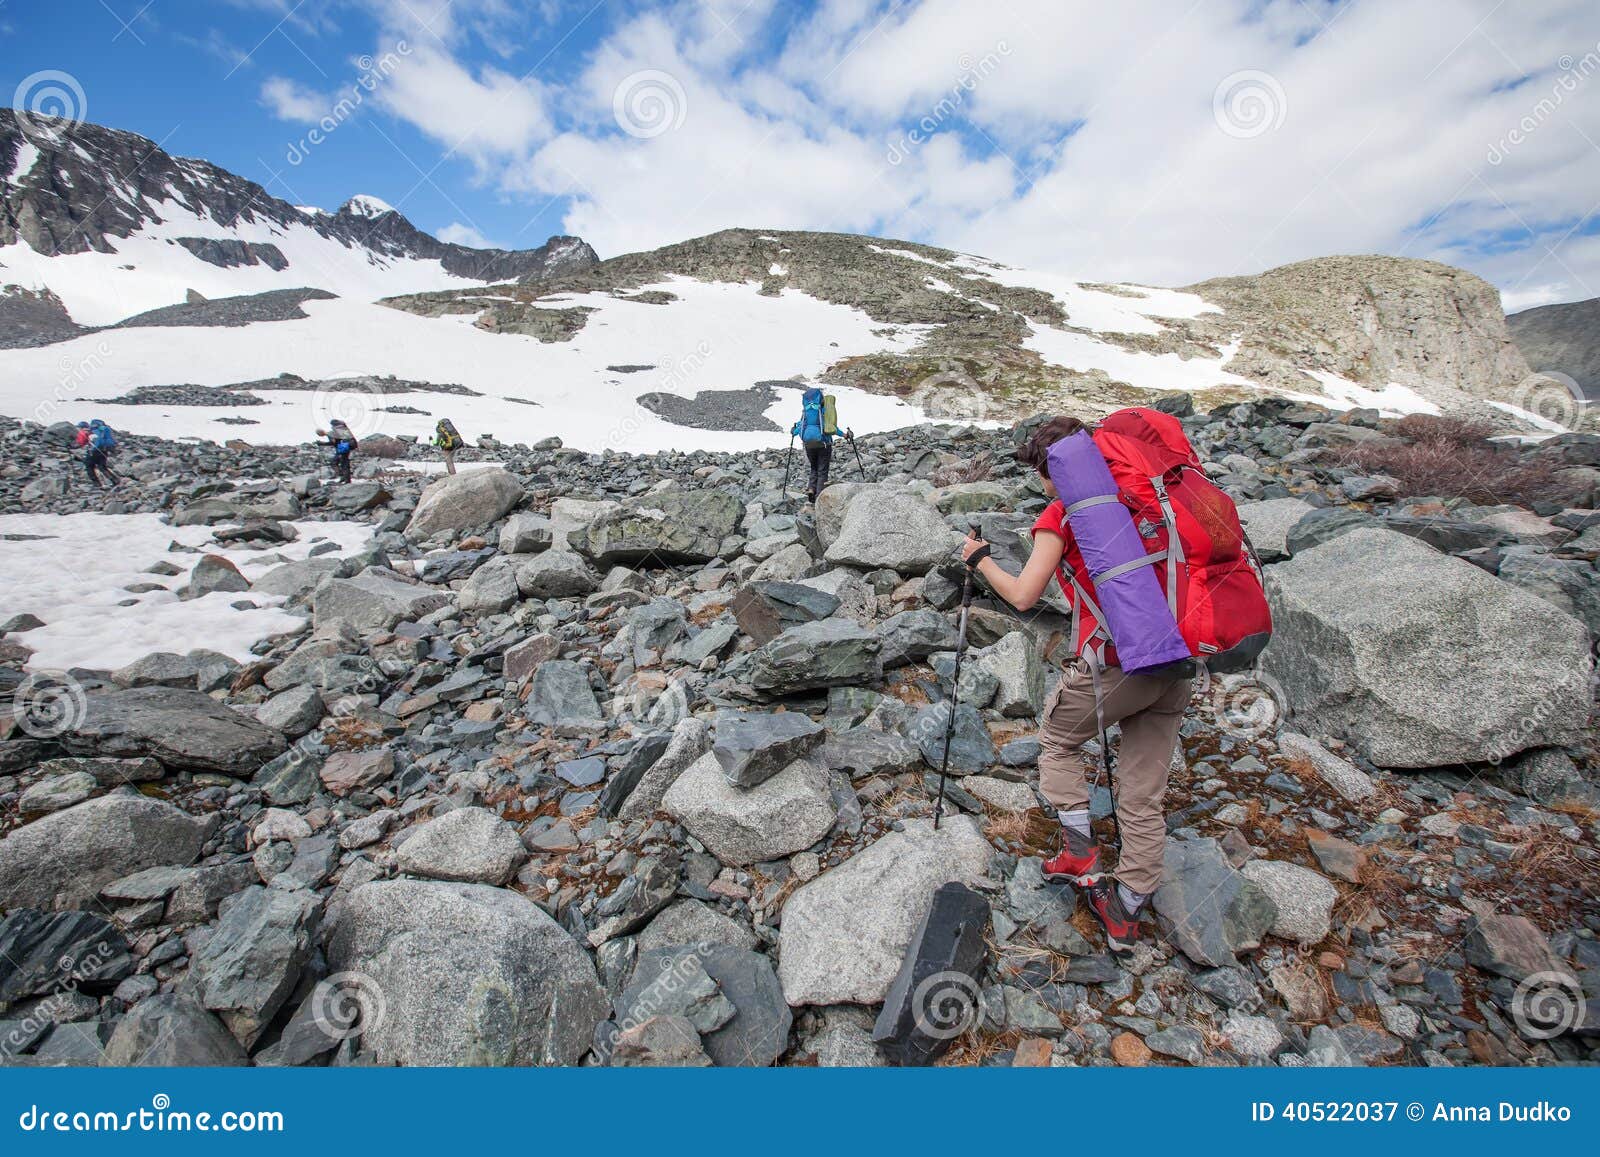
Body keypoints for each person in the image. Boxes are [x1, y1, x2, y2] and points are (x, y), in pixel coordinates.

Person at [957, 415, 1192, 956]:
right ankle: (1127, 907)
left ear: (1054, 469)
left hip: (1116, 664)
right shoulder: (1147, 499)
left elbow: (1024, 595)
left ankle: (1079, 852)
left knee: (1058, 741)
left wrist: (979, 560)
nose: (1042, 482)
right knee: (1143, 793)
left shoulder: (1065, 512)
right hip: (1178, 662)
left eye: (1042, 472)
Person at [791, 386, 850, 503]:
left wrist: (793, 430)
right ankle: (819, 496)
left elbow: (797, 429)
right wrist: (844, 435)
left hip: (808, 445)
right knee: (822, 470)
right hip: (824, 444)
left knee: (814, 468)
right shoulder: (823, 411)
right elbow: (831, 428)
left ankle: (811, 489)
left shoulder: (806, 413)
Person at [77, 419, 121, 489]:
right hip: (104, 450)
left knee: (89, 466)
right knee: (102, 467)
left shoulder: (88, 432)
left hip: (94, 451)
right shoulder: (102, 430)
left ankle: (97, 484)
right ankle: (115, 480)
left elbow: (82, 442)